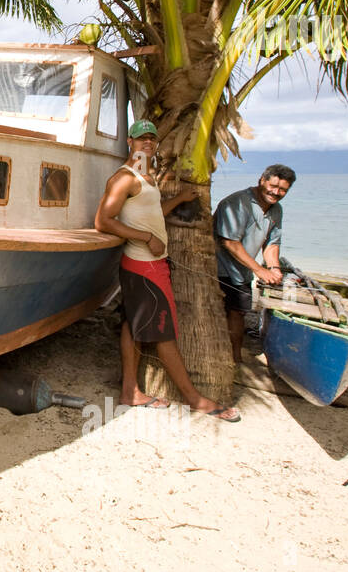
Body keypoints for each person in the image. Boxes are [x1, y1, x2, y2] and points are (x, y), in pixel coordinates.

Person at [94, 120, 240, 422]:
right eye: (141, 138)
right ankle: (196, 400)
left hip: (151, 264)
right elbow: (103, 221)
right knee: (164, 334)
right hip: (143, 266)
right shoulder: (124, 178)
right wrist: (147, 238)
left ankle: (130, 391)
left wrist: (179, 200)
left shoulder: (146, 178)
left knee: (132, 326)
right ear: (130, 143)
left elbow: (150, 212)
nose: (148, 143)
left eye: (152, 138)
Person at [213, 164, 296, 361]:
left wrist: (274, 269)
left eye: (283, 189)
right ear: (262, 180)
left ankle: (234, 356)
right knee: (228, 313)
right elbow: (230, 242)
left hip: (243, 271)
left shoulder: (276, 210)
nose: (276, 192)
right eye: (273, 186)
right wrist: (260, 270)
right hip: (220, 269)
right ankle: (230, 357)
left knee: (239, 313)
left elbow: (272, 243)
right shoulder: (237, 203)